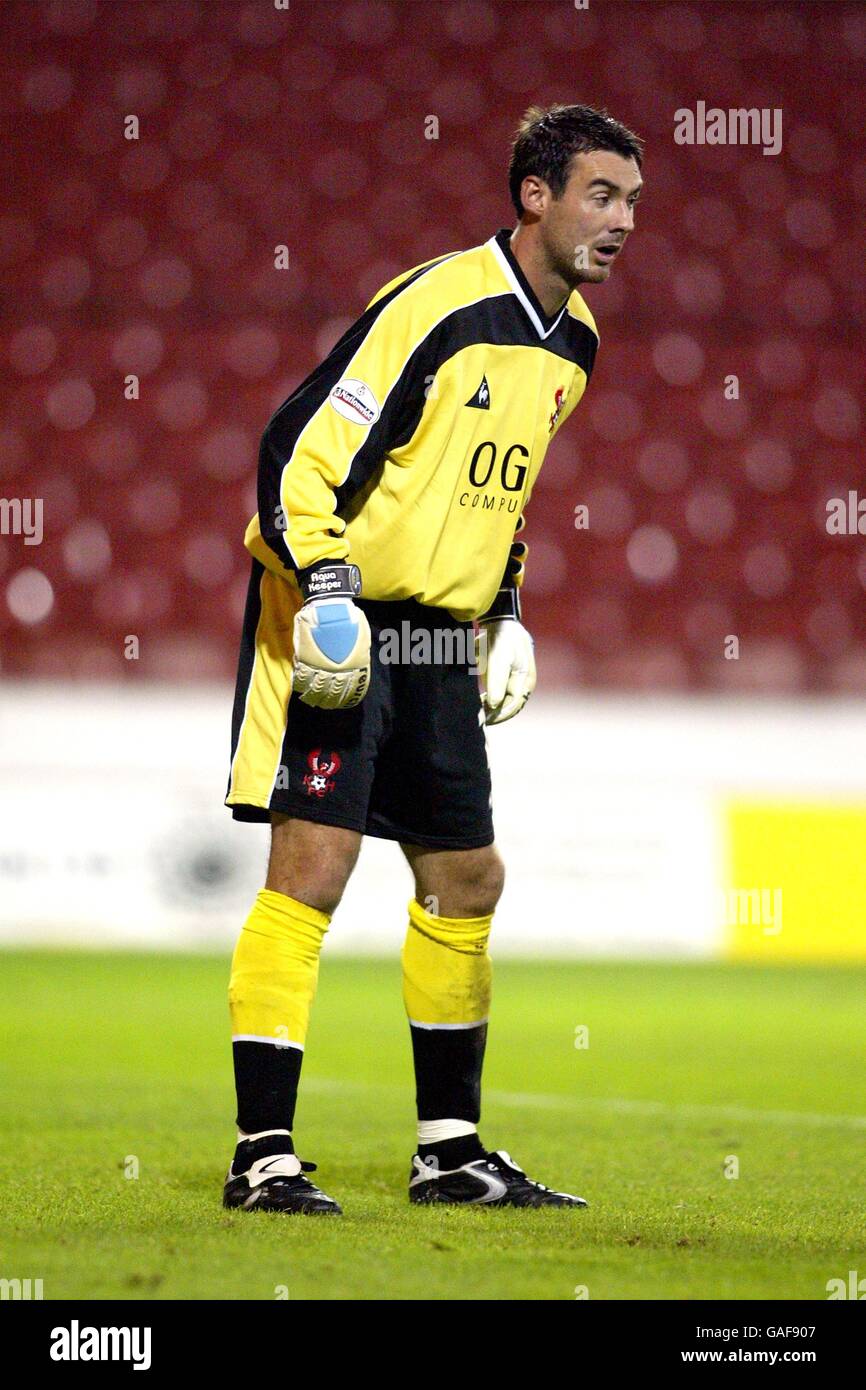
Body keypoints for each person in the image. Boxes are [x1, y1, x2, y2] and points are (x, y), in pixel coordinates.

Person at [222, 102, 643, 1213]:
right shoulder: (437, 306)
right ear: (534, 196)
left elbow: (498, 499)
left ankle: (448, 1153)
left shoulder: (576, 346)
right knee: (310, 874)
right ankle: (261, 1153)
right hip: (341, 622)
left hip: (437, 641)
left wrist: (505, 610)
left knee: (467, 876)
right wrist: (322, 589)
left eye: (632, 202)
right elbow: (293, 447)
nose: (621, 221)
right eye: (601, 194)